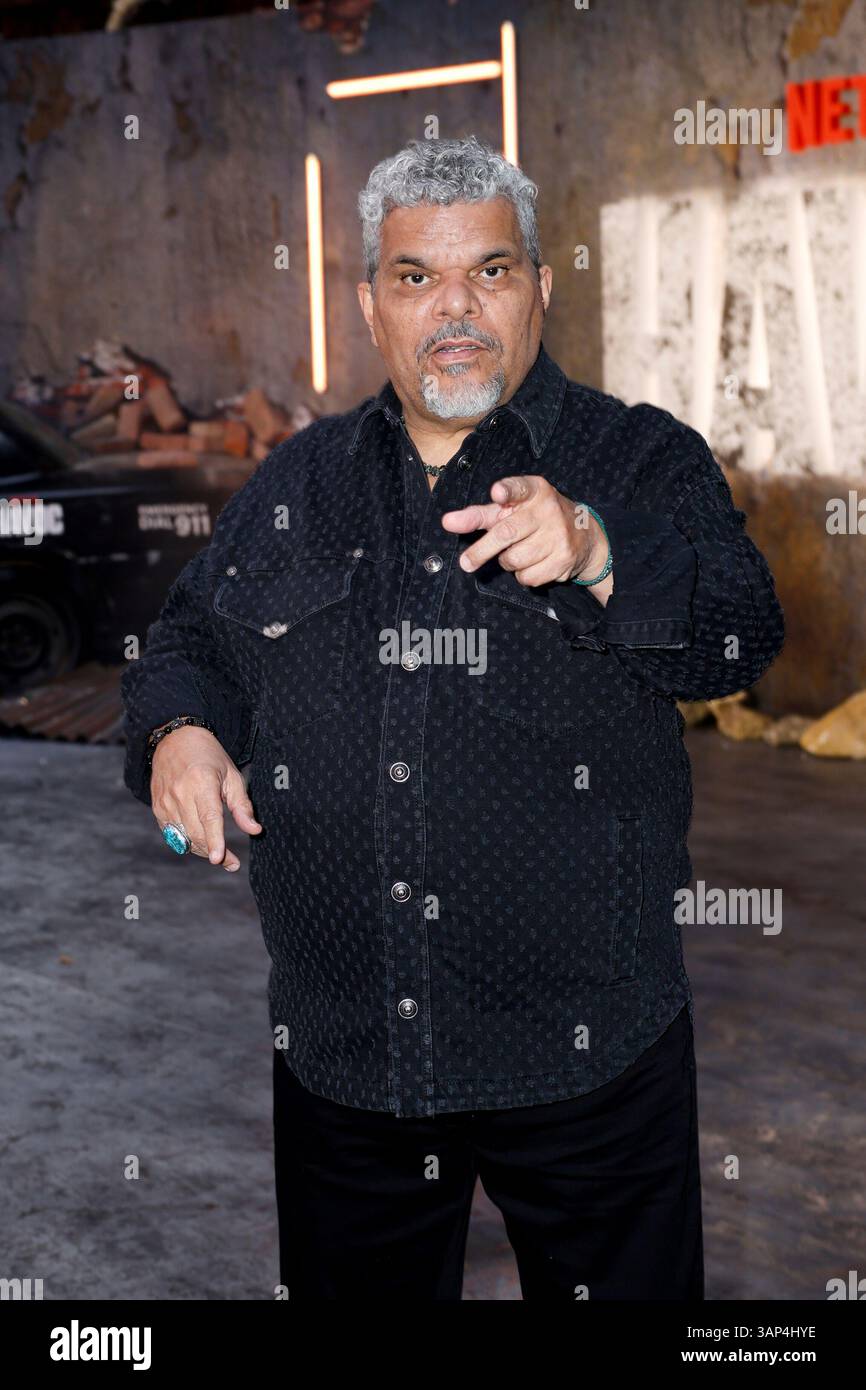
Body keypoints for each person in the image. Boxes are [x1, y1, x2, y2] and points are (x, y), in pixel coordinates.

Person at [121, 135, 784, 1301]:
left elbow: (740, 630)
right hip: (347, 1059)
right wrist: (179, 732)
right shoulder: (298, 483)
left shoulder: (635, 456)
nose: (454, 308)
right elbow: (187, 643)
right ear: (371, 304)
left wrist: (595, 551)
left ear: (538, 284)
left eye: (488, 271)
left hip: (585, 1063)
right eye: (415, 277)